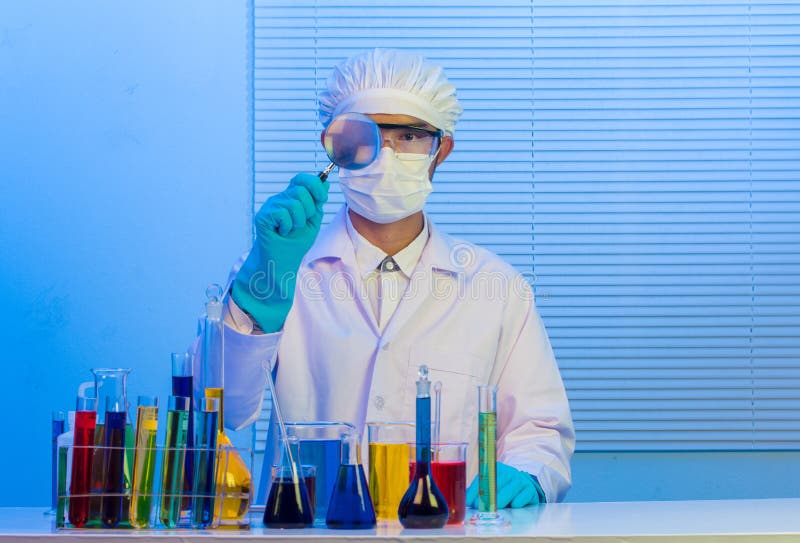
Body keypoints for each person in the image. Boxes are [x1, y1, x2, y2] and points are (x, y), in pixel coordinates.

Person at [208, 48, 575, 508]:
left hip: (447, 533)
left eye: (408, 135)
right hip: (310, 531)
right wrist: (261, 290)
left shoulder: (495, 288)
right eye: (364, 136)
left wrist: (526, 473)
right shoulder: (277, 272)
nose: (386, 152)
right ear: (335, 147)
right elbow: (220, 411)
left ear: (440, 150)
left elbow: (540, 430)